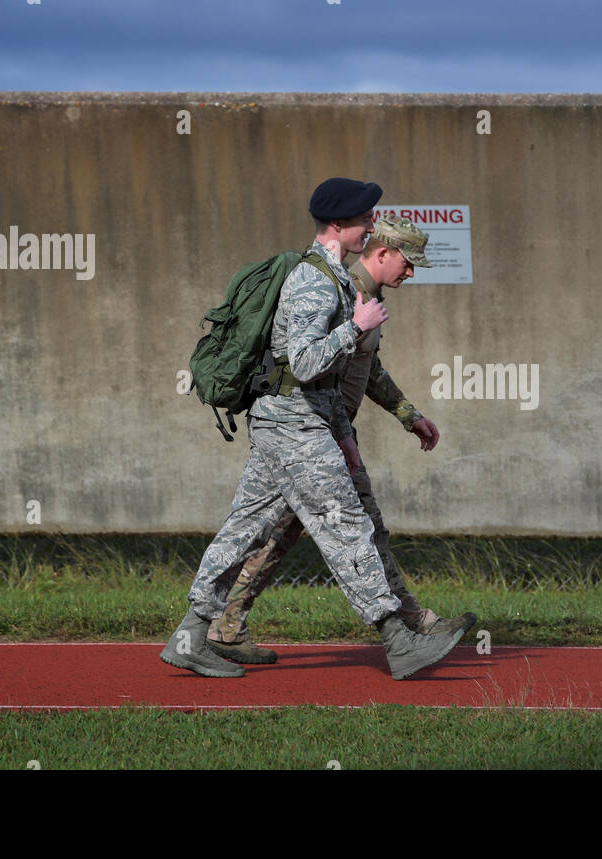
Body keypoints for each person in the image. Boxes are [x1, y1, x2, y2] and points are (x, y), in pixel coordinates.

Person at [160, 179, 466, 680]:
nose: (371, 226)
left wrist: (344, 433)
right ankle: (398, 639)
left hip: (297, 422)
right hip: (293, 425)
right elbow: (303, 363)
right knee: (345, 524)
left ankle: (191, 635)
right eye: (366, 219)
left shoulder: (337, 279)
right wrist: (356, 327)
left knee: (245, 529)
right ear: (339, 224)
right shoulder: (313, 280)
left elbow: (329, 379)